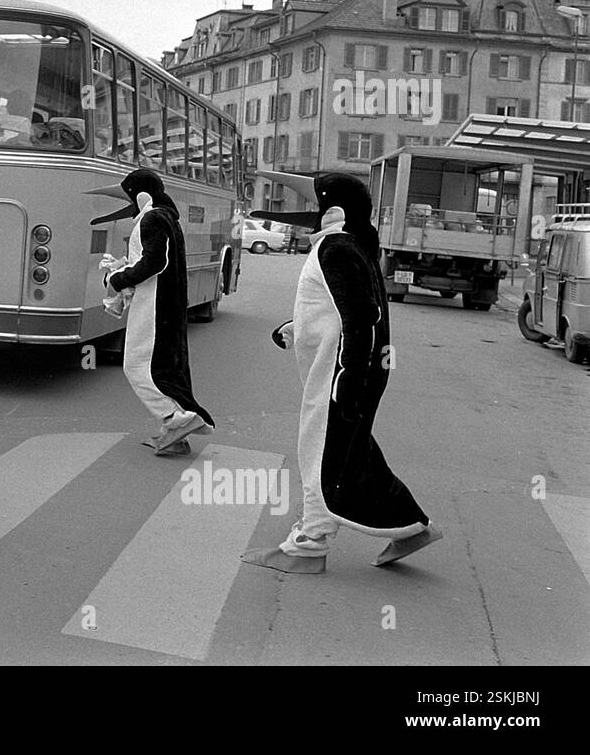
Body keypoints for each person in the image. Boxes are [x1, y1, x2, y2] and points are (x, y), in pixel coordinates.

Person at [241, 171, 443, 573]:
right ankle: (410, 526)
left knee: (320, 453)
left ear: (332, 211)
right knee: (354, 452)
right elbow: (340, 309)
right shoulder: (348, 246)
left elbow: (361, 316)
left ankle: (309, 545)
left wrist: (349, 376)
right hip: (350, 366)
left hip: (342, 371)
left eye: (318, 199)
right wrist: (296, 327)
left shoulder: (336, 249)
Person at [91, 167, 215, 457]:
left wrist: (117, 278)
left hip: (155, 305)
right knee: (162, 368)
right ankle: (175, 428)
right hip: (164, 304)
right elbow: (155, 259)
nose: (130, 201)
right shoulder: (165, 216)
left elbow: (154, 263)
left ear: (141, 194)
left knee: (137, 365)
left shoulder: (152, 217)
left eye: (130, 194)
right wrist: (125, 265)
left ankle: (177, 419)